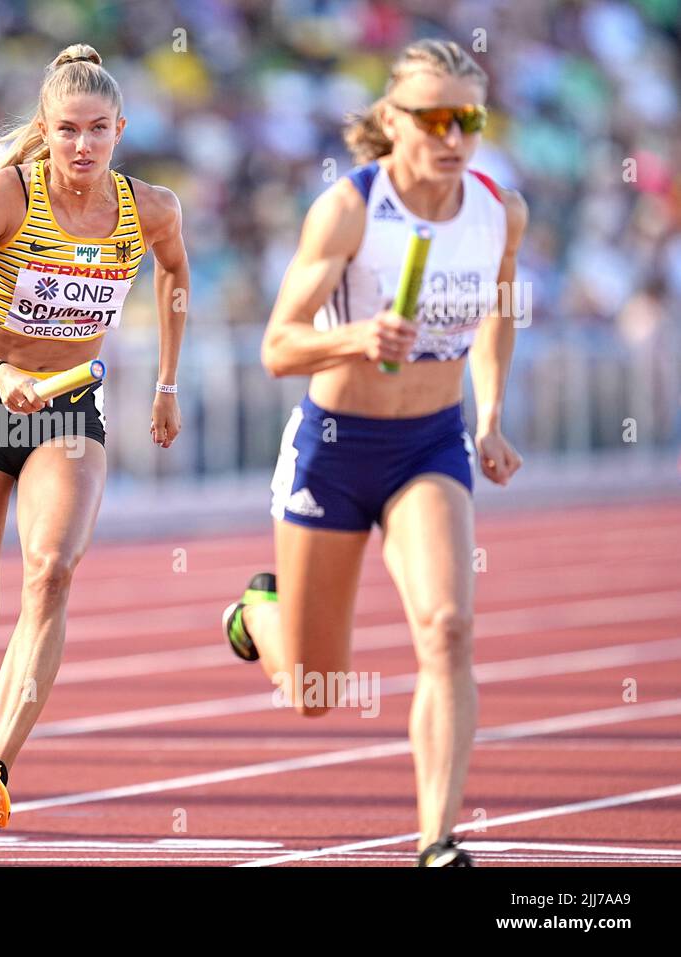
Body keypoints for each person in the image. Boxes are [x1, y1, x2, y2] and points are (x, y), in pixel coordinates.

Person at [220, 39, 527, 866]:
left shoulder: (498, 209)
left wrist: (489, 414)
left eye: (468, 117)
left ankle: (436, 838)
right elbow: (278, 348)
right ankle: (257, 612)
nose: (452, 134)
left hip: (430, 444)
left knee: (449, 626)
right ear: (393, 120)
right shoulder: (350, 209)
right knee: (316, 691)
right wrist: (359, 335)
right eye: (433, 116)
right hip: (336, 445)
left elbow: (499, 312)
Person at [0, 44, 190, 832]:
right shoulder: (6, 195)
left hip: (70, 407)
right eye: (68, 129)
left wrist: (168, 381)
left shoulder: (153, 209)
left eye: (98, 130)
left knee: (51, 568)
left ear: (121, 130)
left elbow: (176, 275)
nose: (82, 145)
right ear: (46, 128)